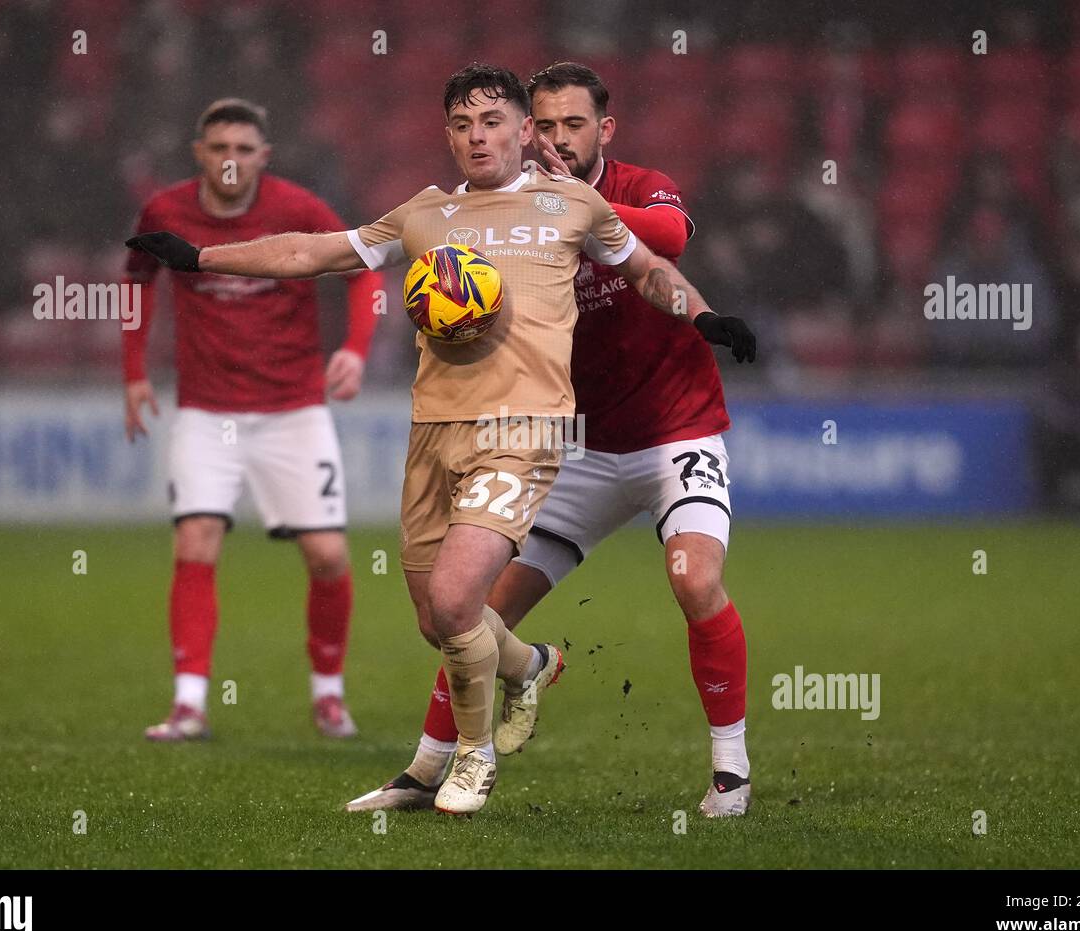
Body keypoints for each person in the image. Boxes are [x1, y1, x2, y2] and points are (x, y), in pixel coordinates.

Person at [126, 65, 754, 814]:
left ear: (522, 132)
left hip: (528, 431)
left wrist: (704, 318)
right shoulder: (424, 215)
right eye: (462, 125)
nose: (477, 136)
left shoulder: (573, 204)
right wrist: (202, 257)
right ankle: (524, 672)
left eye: (493, 121)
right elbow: (313, 253)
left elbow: (654, 264)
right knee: (442, 618)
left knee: (460, 599)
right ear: (448, 136)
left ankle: (476, 758)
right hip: (436, 433)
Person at [346, 62, 753, 818]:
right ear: (531, 127)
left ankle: (731, 770)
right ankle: (430, 764)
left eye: (577, 124)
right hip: (575, 445)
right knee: (467, 604)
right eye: (550, 124)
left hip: (676, 431)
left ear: (605, 129)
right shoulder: (510, 207)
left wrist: (578, 203)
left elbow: (669, 237)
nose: (562, 137)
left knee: (695, 580)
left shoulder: (630, 189)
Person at [123, 98, 382, 742]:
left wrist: (355, 349)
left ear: (263, 157)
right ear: (199, 153)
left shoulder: (300, 211)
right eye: (219, 148)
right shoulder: (165, 211)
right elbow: (136, 279)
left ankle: (328, 695)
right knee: (196, 541)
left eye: (243, 149)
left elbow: (364, 271)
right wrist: (132, 372)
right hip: (207, 412)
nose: (230, 159)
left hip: (294, 409)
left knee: (326, 555)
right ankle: (189, 704)